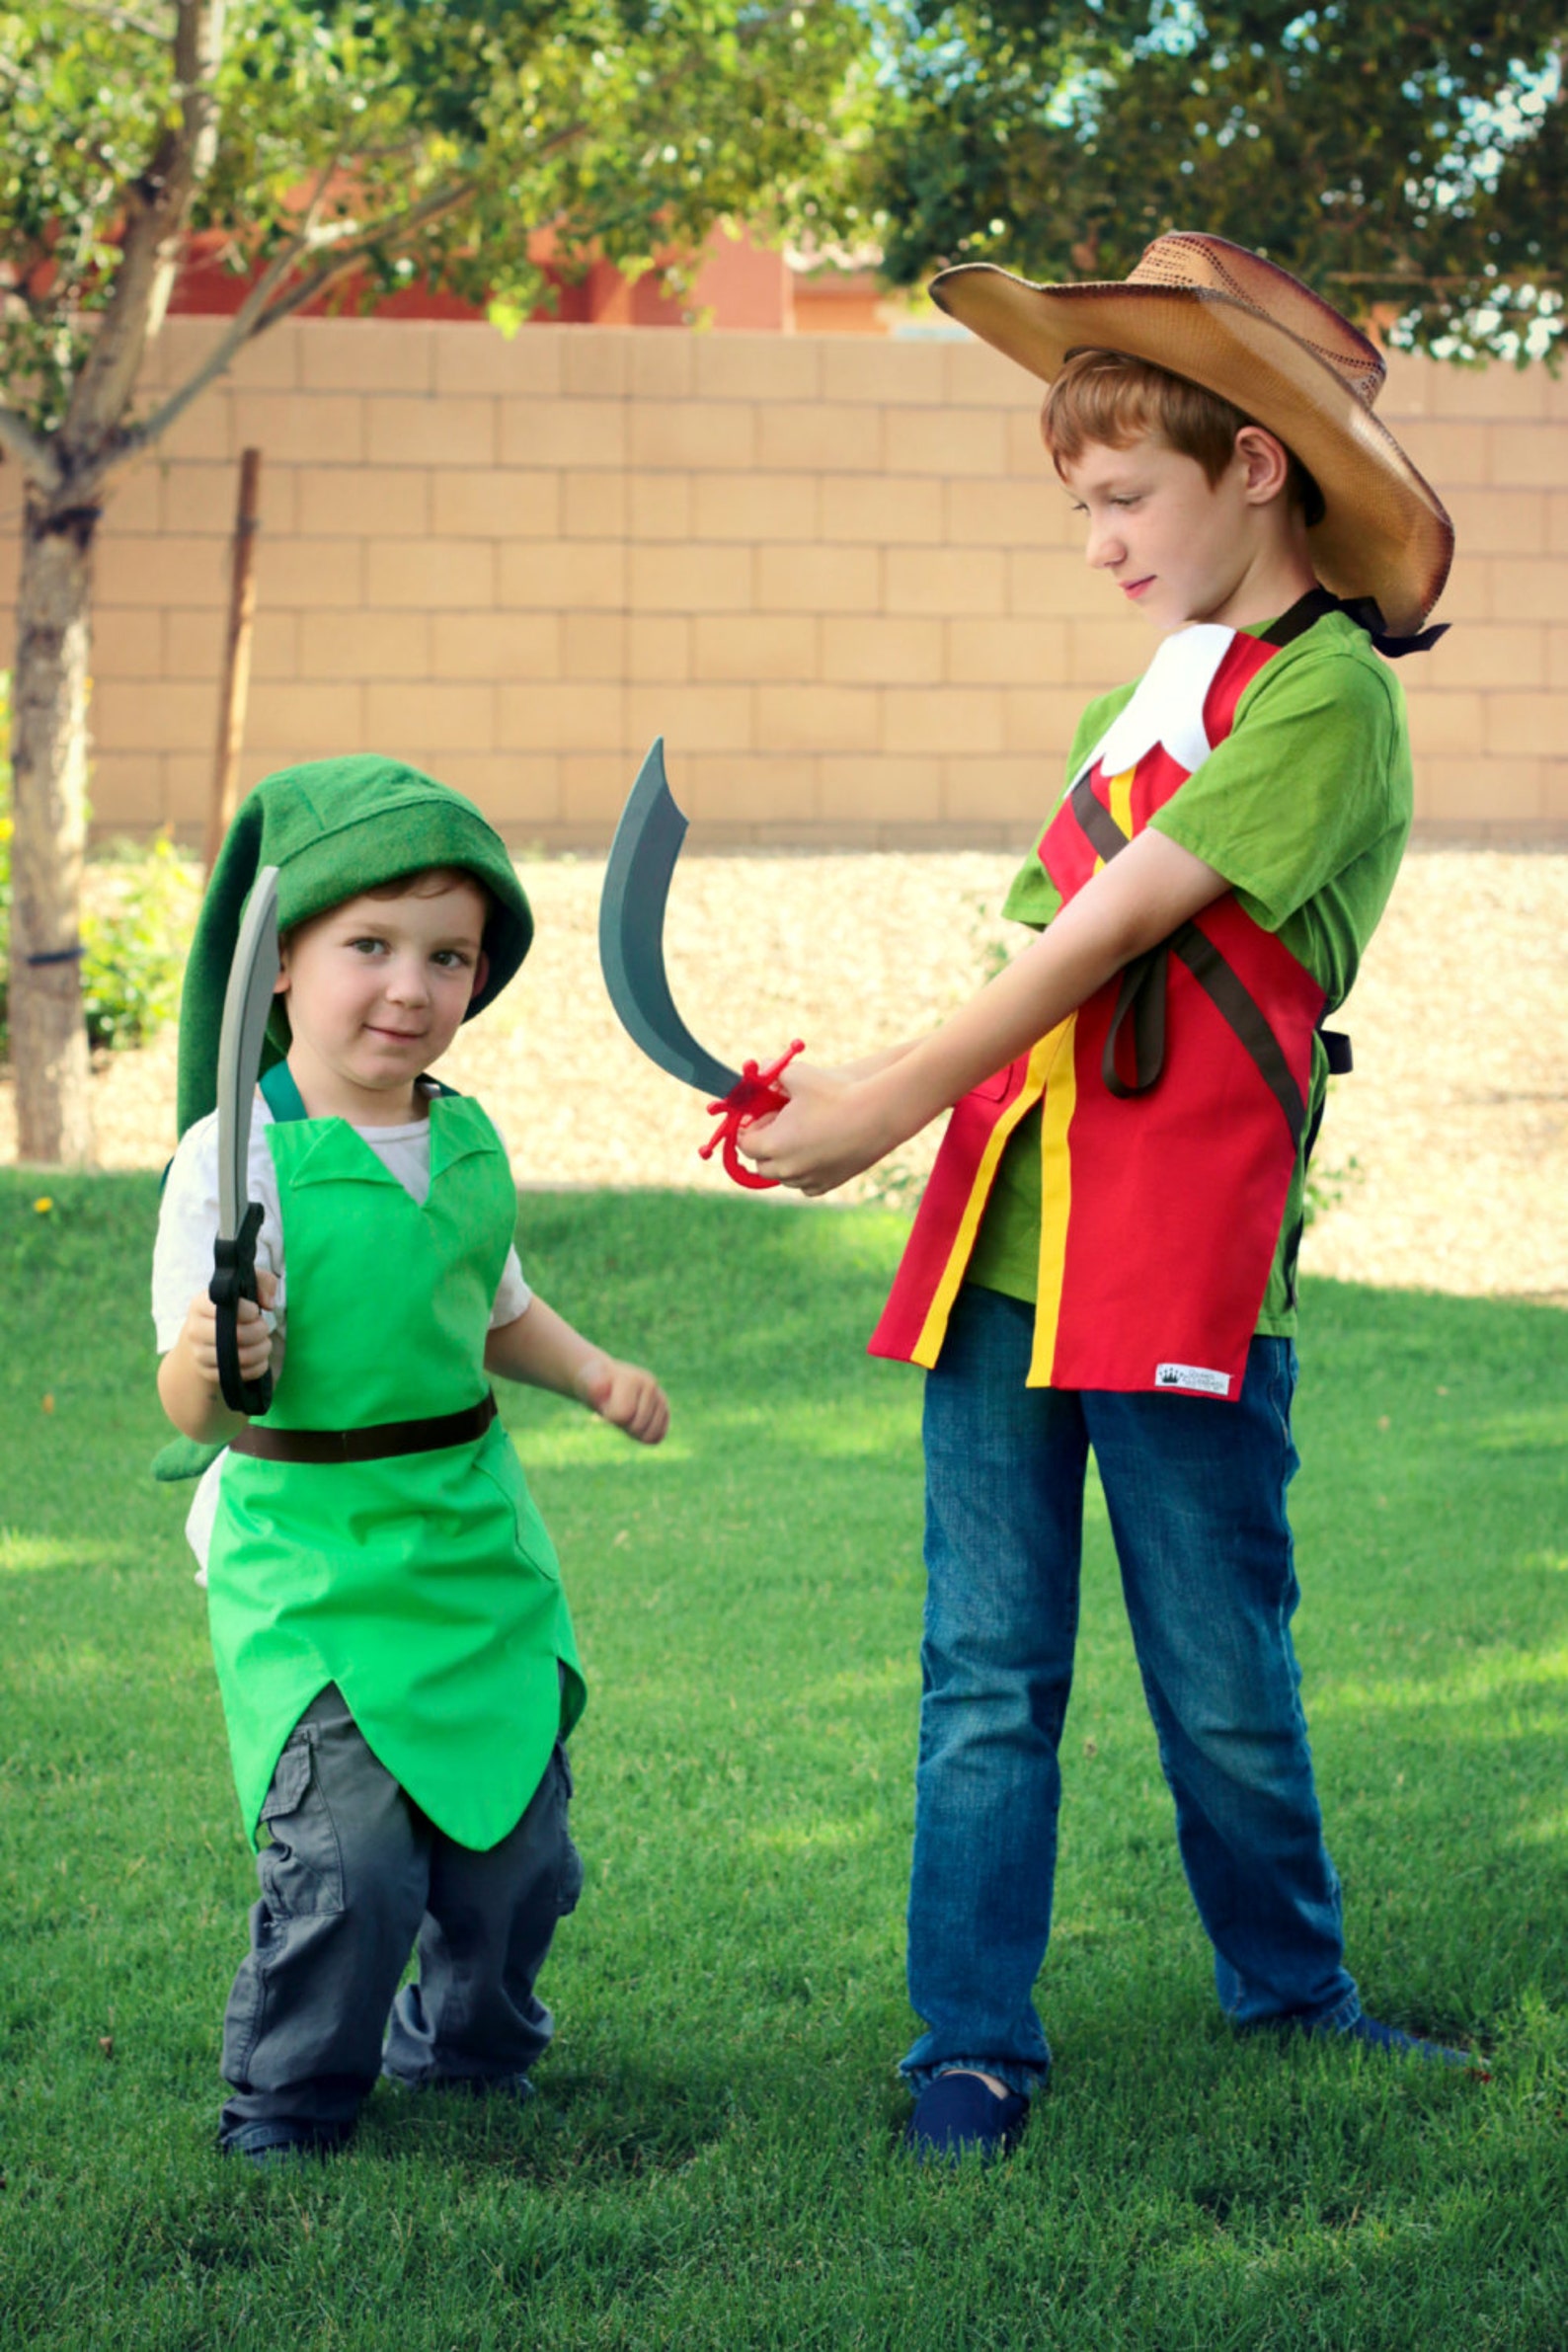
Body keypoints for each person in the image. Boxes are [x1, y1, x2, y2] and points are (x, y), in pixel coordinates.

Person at [741, 234, 1477, 2159]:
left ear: (1255, 468)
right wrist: (877, 1089)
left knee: (1219, 1680)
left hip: (1182, 1277)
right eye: (1077, 503)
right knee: (981, 1674)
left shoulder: (1321, 705)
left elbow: (1111, 934)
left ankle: (1289, 1995)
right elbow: (1021, 976)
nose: (1097, 541)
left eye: (1123, 496)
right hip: (1006, 1259)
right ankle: (967, 2044)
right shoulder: (1125, 709)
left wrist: (894, 1085)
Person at [152, 755, 667, 2165]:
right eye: (367, 945)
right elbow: (191, 1404)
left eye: (448, 955)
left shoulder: (467, 1141)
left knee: (517, 1847)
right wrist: (219, 1346)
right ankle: (292, 2096)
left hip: (467, 1543)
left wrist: (589, 1370)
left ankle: (472, 2052)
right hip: (312, 1554)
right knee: (351, 1860)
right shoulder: (233, 1158)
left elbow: (493, 1307)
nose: (411, 985)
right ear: (279, 968)